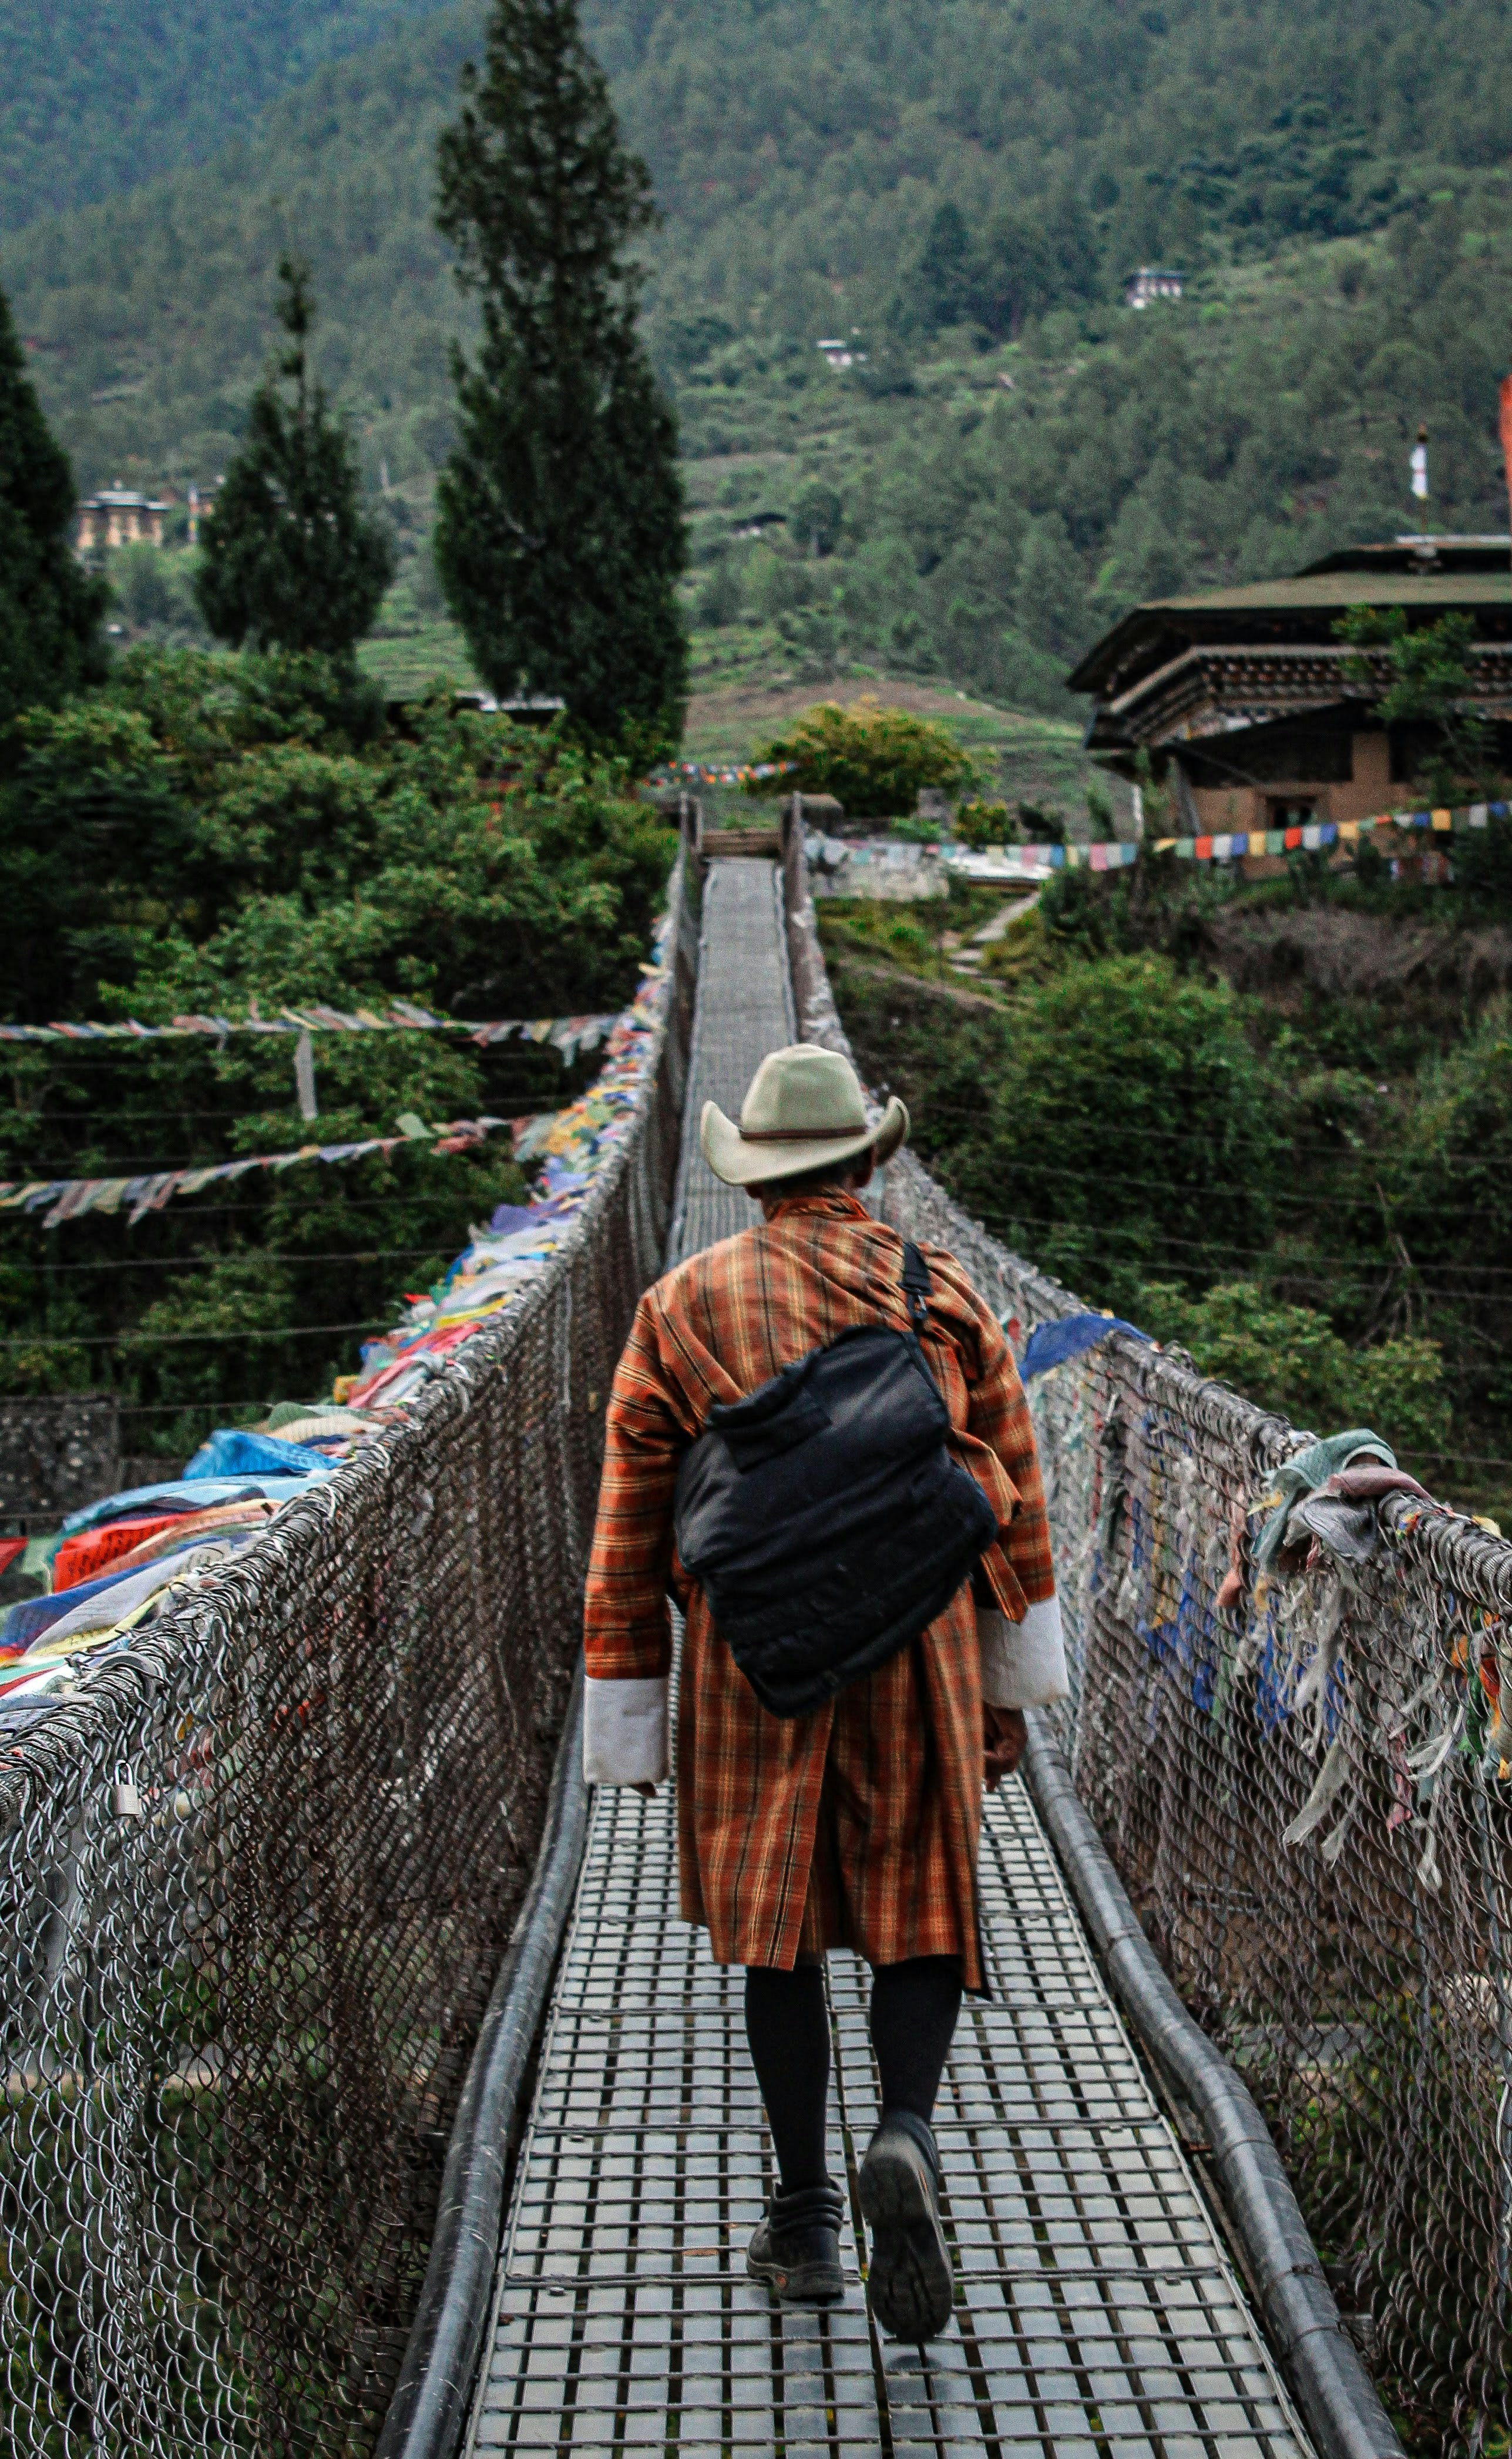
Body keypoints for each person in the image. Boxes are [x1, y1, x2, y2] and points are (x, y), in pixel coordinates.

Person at [583, 1042, 1064, 2341]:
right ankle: (904, 2130)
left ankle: (802, 2223)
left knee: (773, 1924)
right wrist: (1012, 1680)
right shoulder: (942, 1287)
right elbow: (1013, 1490)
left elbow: (631, 1521)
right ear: (867, 1161)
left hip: (755, 1659)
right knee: (919, 1901)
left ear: (757, 1178)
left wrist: (629, 1698)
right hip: (923, 1643)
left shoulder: (680, 1304)